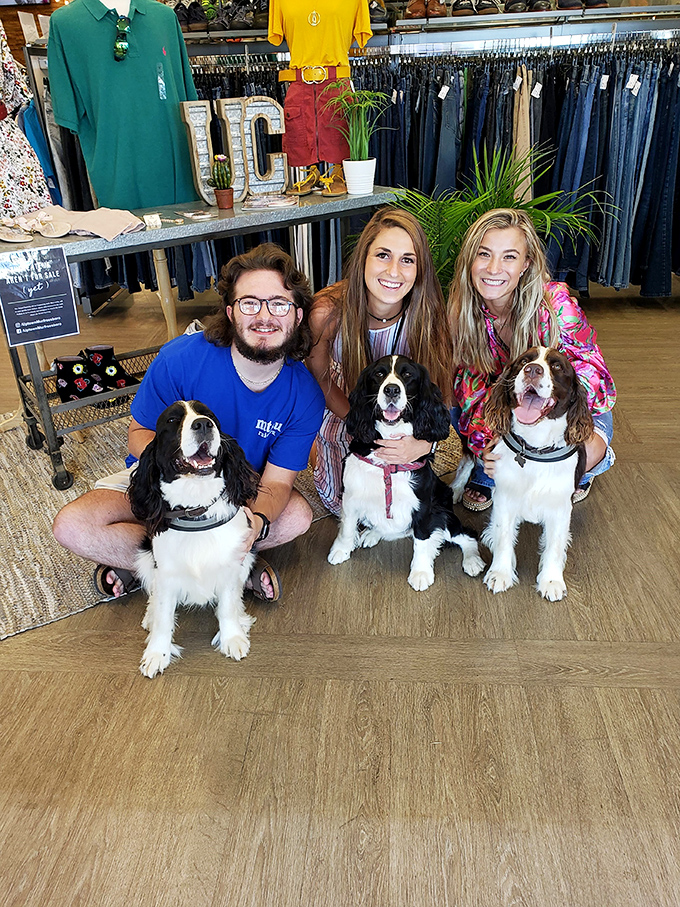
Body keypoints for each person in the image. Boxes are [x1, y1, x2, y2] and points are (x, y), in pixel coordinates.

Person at [53, 244, 325, 602]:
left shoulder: (305, 394)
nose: (264, 316)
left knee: (296, 517)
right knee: (72, 525)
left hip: (236, 491)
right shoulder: (179, 359)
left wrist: (253, 525)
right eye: (249, 303)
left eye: (279, 303)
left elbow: (275, 486)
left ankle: (157, 565)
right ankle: (228, 570)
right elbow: (139, 434)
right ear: (230, 312)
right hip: (163, 480)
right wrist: (182, 474)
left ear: (298, 315)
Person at [448, 207, 616, 511]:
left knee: (585, 454)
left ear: (526, 264)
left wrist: (550, 414)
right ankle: (496, 467)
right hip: (508, 412)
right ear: (469, 260)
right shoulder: (462, 313)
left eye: (509, 257)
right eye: (483, 254)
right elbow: (469, 388)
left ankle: (577, 472)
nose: (494, 268)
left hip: (564, 408)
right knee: (452, 401)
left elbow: (592, 374)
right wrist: (490, 442)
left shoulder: (555, 304)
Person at [307, 206, 454, 515]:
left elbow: (443, 391)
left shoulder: (428, 314)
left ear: (419, 269)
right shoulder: (327, 312)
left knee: (406, 508)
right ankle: (315, 449)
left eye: (407, 260)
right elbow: (319, 381)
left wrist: (423, 443)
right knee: (345, 507)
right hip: (347, 406)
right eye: (383, 255)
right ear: (364, 259)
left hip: (406, 412)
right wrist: (365, 425)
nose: (393, 272)